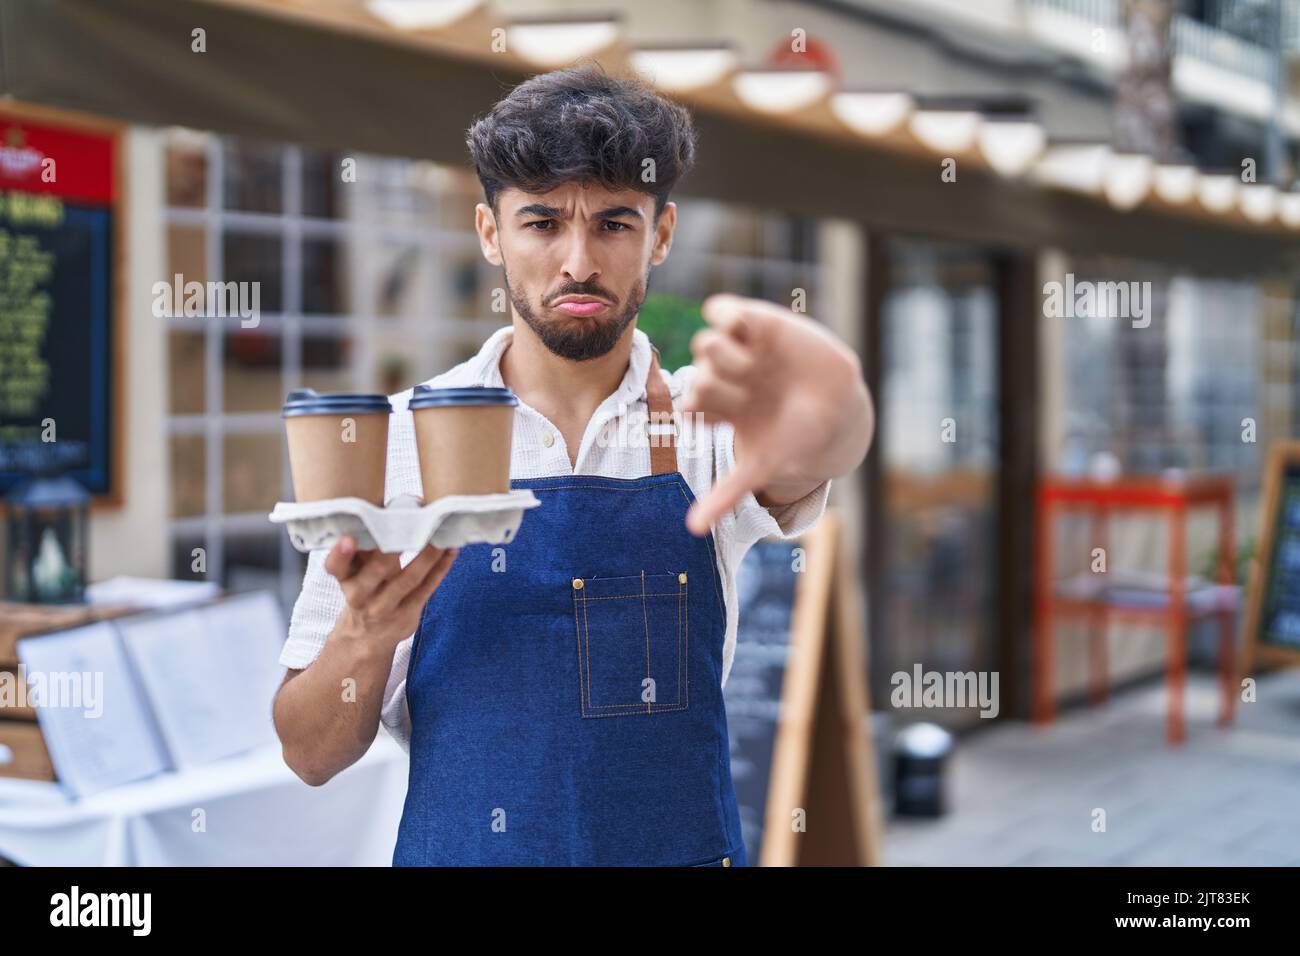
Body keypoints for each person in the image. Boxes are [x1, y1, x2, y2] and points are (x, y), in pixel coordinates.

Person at [272, 65, 874, 866]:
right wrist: (365, 633)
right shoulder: (397, 442)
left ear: (660, 234)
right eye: (543, 223)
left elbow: (817, 449)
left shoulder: (705, 426)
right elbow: (309, 755)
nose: (579, 262)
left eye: (615, 225)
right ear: (490, 233)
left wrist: (839, 406)